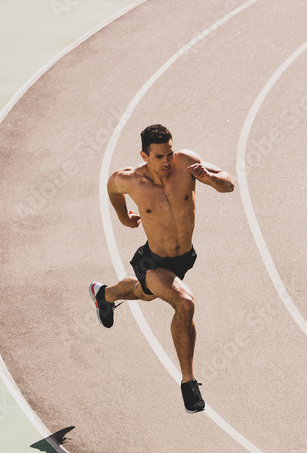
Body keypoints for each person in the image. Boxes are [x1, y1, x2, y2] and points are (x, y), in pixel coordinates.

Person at [89, 123, 234, 413]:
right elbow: (111, 188)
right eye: (159, 157)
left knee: (145, 295)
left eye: (169, 153)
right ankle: (188, 383)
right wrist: (123, 218)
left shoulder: (187, 162)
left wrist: (208, 179)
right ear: (144, 155)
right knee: (184, 303)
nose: (167, 161)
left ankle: (103, 295)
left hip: (184, 258)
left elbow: (228, 184)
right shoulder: (131, 181)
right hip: (152, 262)